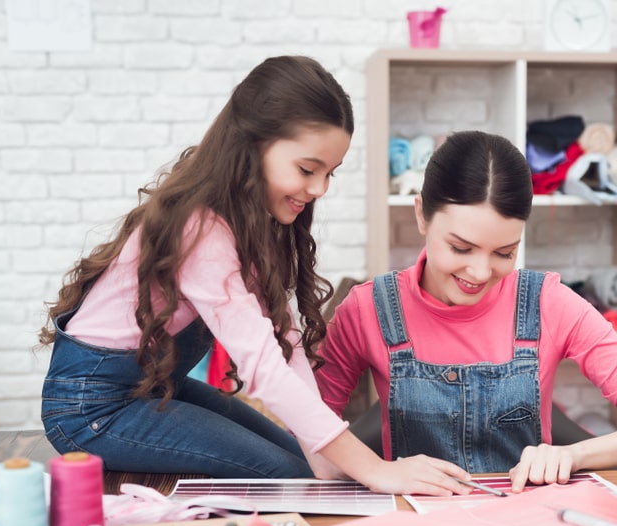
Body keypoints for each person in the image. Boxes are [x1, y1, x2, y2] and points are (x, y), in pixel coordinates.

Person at [38, 55, 472, 496]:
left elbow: (285, 346)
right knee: (295, 477)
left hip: (149, 388)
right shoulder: (200, 228)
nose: (320, 188)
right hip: (92, 410)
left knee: (309, 464)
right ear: (254, 144)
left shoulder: (248, 220)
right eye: (307, 170)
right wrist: (375, 469)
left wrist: (326, 456)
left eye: (329, 174)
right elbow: (264, 367)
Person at [316, 130, 617, 492]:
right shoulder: (368, 310)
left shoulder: (548, 303)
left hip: (528, 525)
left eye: (504, 253)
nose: (481, 272)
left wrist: (573, 454)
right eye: (461, 248)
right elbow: (311, 426)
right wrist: (370, 473)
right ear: (421, 214)